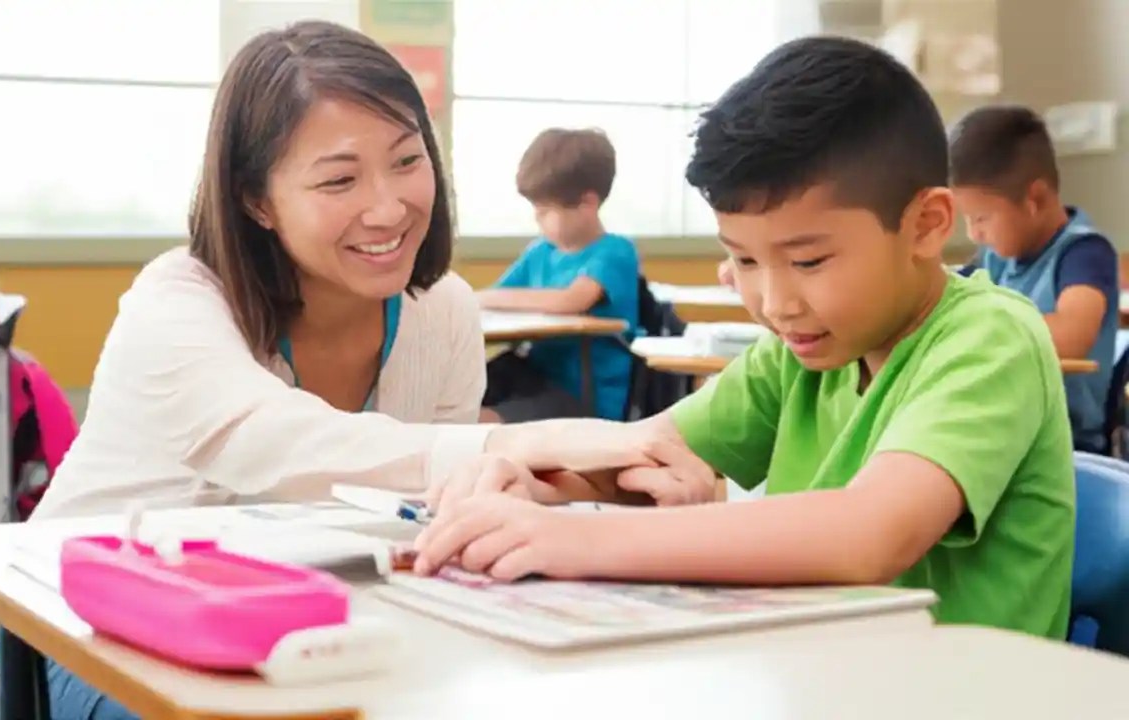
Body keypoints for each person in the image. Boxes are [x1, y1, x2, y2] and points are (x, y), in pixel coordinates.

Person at [39, 22, 715, 720]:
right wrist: (510, 442)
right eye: (339, 179)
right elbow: (266, 445)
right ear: (256, 200)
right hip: (92, 621)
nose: (389, 208)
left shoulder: (441, 309)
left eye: (406, 160)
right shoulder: (178, 299)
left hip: (316, 619)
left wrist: (595, 484)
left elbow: (433, 504)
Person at [415, 36, 1076, 640]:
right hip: (814, 670)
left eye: (809, 261)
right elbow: (654, 449)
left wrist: (573, 539)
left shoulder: (990, 338)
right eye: (747, 262)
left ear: (927, 225)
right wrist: (541, 485)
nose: (775, 303)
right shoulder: (803, 351)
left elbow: (871, 533)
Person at [949, 104, 1118, 453]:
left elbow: (1072, 336)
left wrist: (979, 328)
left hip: (1068, 445)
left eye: (981, 218)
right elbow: (944, 300)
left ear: (1035, 199)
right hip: (1006, 430)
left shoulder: (1084, 252)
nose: (974, 234)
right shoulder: (994, 258)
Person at [479, 128, 640, 423]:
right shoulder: (540, 251)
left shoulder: (615, 251)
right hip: (534, 375)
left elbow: (573, 299)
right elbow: (490, 298)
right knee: (469, 384)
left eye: (544, 210)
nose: (537, 219)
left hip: (583, 397)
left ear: (587, 203)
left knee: (486, 418)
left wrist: (494, 298)